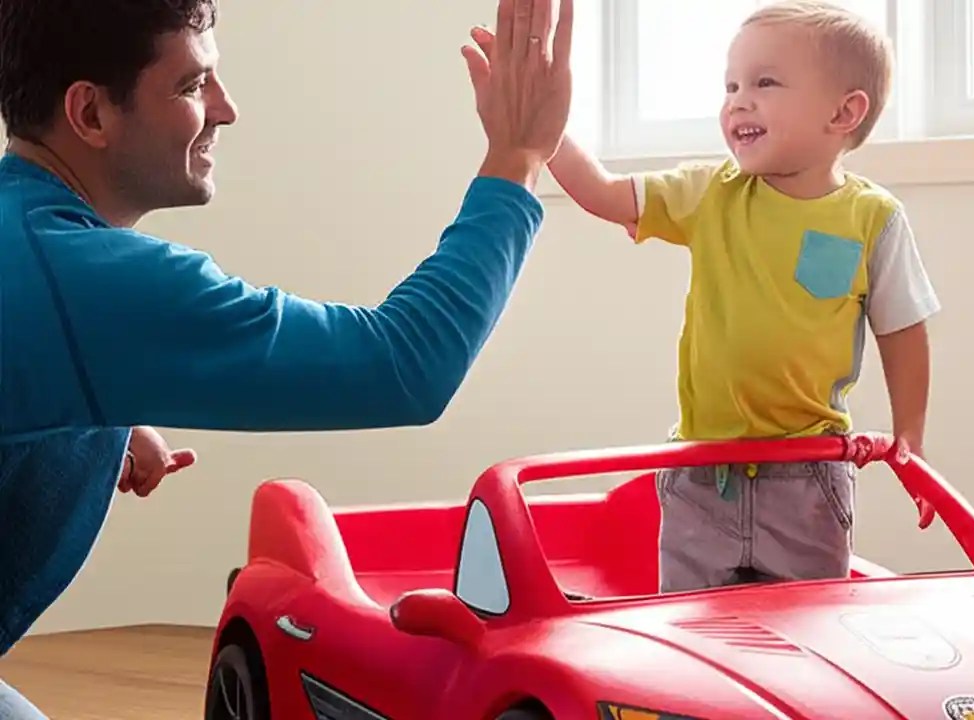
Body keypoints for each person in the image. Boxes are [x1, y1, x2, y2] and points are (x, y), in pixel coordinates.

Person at [0, 0, 573, 713]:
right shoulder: (85, 280)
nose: (226, 109)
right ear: (89, 114)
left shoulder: (29, 246)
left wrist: (90, 421)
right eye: (189, 86)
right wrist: (516, 159)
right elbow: (403, 365)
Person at [546, 0, 939, 593]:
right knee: (697, 639)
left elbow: (902, 328)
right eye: (731, 85)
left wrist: (910, 435)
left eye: (765, 83)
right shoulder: (711, 193)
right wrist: (544, 130)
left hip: (806, 477)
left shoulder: (872, 218)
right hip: (703, 474)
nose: (738, 101)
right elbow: (601, 193)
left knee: (806, 637)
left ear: (844, 112)